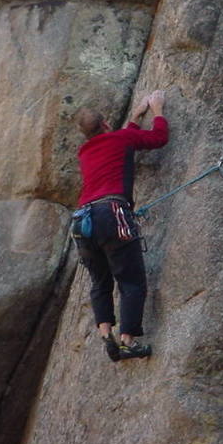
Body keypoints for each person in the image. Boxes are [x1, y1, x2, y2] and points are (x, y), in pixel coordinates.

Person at [72, 90, 169, 362]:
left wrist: (136, 116)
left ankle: (107, 335)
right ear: (105, 124)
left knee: (100, 281)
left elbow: (119, 146)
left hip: (83, 221)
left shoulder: (85, 152)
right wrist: (158, 111)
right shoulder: (120, 139)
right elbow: (158, 138)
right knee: (131, 279)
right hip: (111, 213)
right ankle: (128, 341)